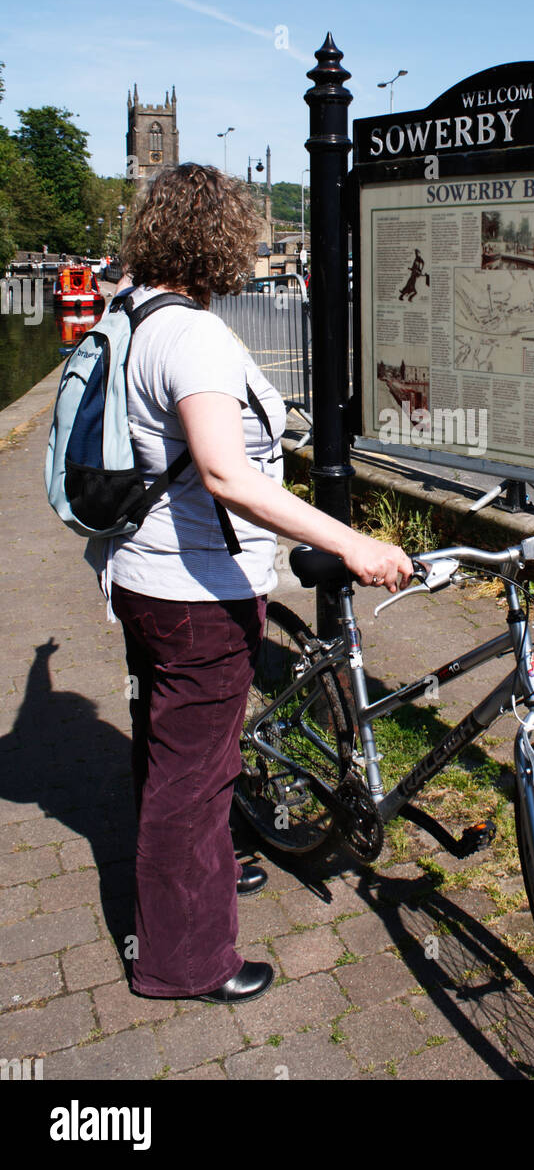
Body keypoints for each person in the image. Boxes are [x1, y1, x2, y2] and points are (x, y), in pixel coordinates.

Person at [86, 162, 412, 1006]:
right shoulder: (190, 335)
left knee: (172, 752)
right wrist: (353, 542)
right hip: (193, 591)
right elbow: (228, 476)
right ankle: (183, 961)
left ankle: (195, 881)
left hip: (142, 576)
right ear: (220, 237)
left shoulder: (130, 312)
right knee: (190, 780)